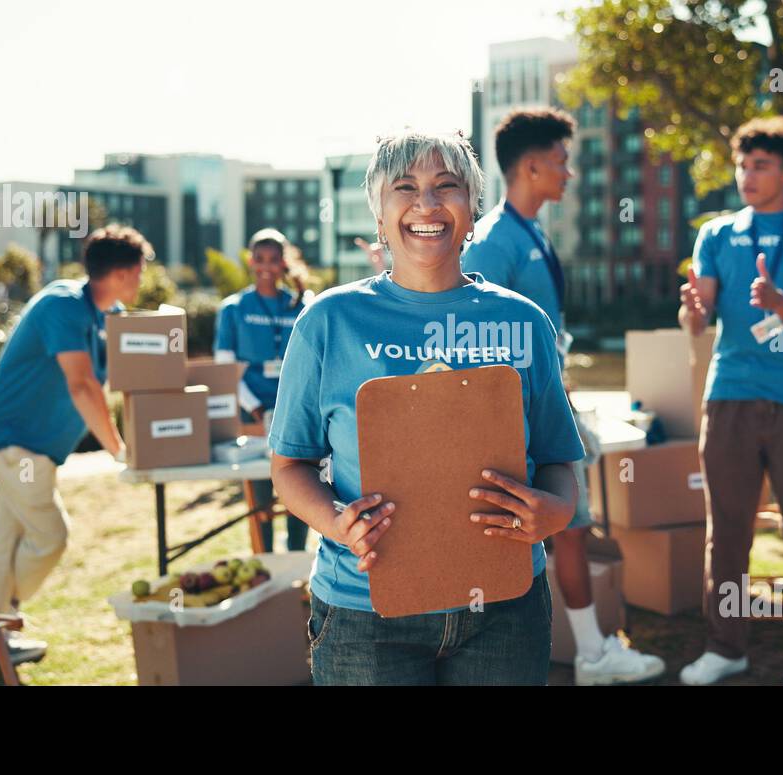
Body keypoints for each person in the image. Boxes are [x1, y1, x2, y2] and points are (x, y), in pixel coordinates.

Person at [268, 129, 584, 685]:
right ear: (378, 210)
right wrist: (340, 525)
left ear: (472, 205)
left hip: (504, 610)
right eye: (405, 187)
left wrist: (552, 512)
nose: (427, 204)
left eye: (447, 186)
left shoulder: (525, 321)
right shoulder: (328, 322)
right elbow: (290, 467)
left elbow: (559, 459)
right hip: (365, 613)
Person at [462, 107, 664, 685]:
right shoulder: (494, 241)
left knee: (568, 525)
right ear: (530, 166)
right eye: (560, 161)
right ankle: (591, 656)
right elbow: (474, 338)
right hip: (513, 421)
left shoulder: (529, 234)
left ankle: (591, 651)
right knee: (560, 526)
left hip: (543, 409)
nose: (569, 173)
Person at [678, 116, 783, 686]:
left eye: (761, 166)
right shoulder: (716, 235)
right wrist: (693, 312)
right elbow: (696, 322)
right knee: (726, 532)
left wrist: (778, 302)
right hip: (730, 396)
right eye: (742, 165)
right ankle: (726, 647)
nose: (747, 175)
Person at [0, 225, 148, 667]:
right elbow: (83, 386)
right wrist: (119, 450)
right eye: (139, 271)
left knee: (5, 539)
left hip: (32, 448)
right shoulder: (62, 307)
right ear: (123, 273)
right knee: (50, 536)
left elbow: (128, 371)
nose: (142, 279)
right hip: (14, 445)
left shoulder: (106, 313)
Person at [214, 228, 309, 552]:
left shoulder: (301, 305)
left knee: (300, 491)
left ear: (284, 263)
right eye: (259, 259)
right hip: (252, 413)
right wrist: (256, 407)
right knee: (260, 498)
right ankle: (263, 565)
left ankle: (297, 566)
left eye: (273, 259)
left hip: (294, 414)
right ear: (250, 262)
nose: (266, 266)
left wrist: (292, 406)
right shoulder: (233, 308)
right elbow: (226, 370)